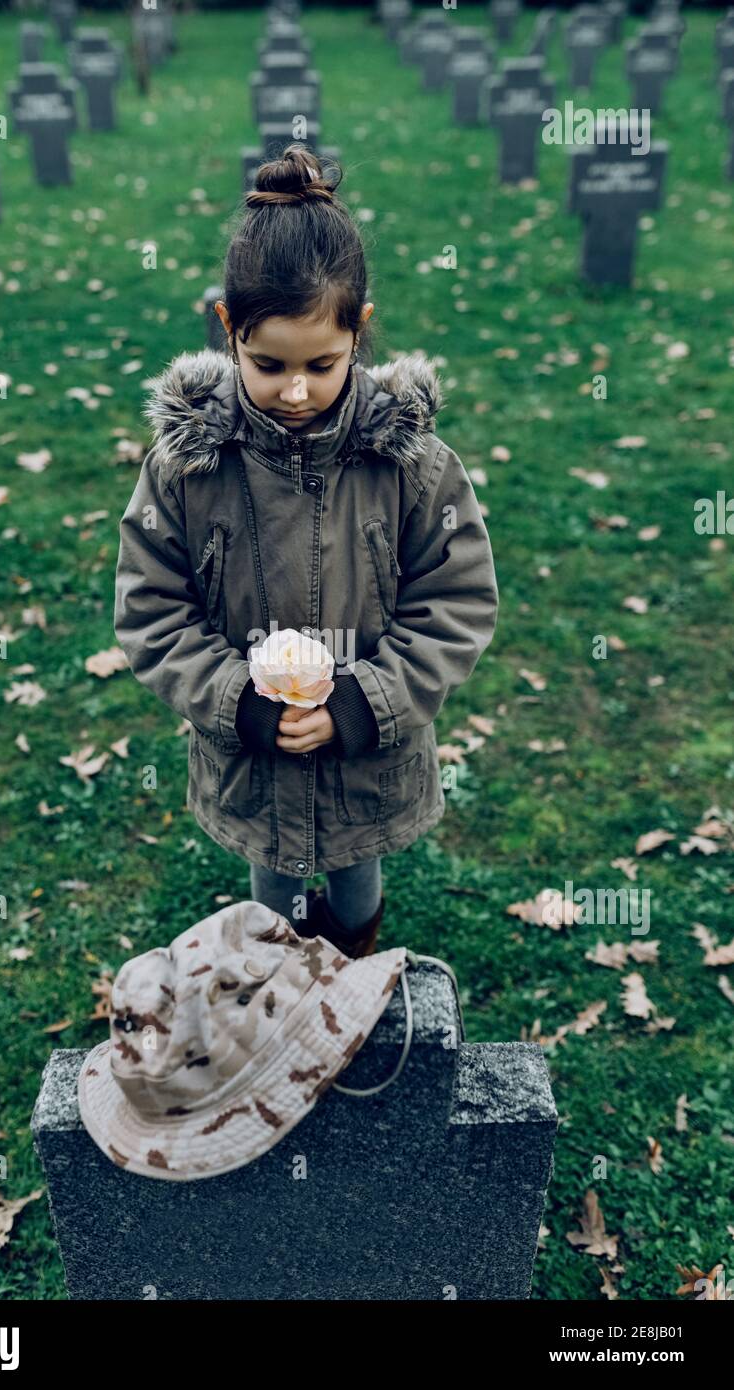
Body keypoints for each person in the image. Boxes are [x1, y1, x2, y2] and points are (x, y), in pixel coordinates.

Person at [114, 144, 499, 958]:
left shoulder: (412, 466)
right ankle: (280, 988)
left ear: (358, 330)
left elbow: (456, 603)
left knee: (356, 869)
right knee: (273, 878)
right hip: (250, 758)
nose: (296, 391)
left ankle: (350, 978)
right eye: (268, 365)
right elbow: (151, 608)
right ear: (228, 329)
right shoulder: (188, 467)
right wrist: (237, 703)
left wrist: (366, 705)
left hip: (369, 758)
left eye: (322, 365)